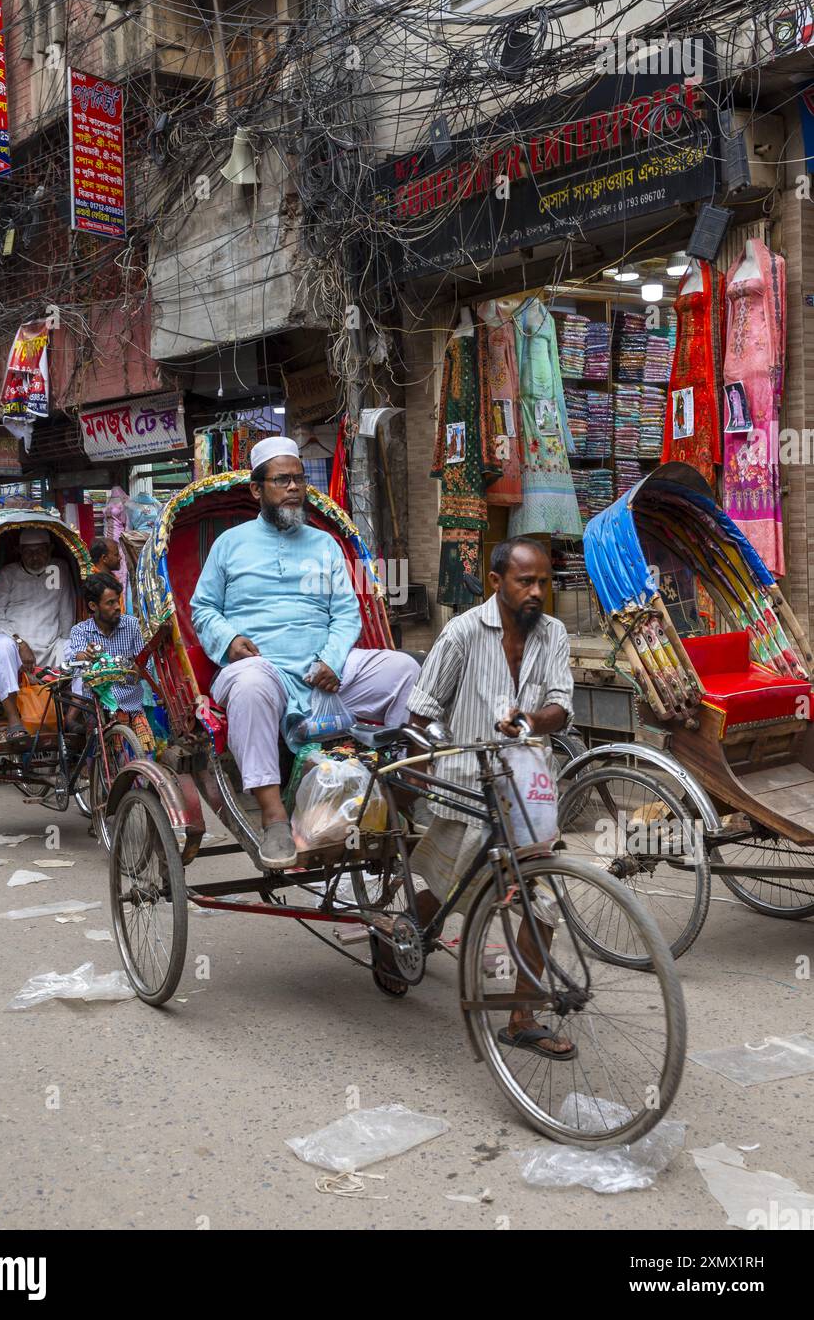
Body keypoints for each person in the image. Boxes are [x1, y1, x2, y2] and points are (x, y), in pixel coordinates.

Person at [190, 435, 420, 870]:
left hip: (322, 669)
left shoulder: (325, 545)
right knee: (251, 683)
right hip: (261, 668)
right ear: (256, 490)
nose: (294, 487)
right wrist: (229, 639)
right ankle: (274, 816)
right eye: (282, 480)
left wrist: (332, 658)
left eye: (299, 479)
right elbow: (202, 609)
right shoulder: (229, 545)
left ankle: (398, 789)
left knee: (402, 669)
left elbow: (346, 614)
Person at [406, 536, 576, 1059]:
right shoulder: (462, 633)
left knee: (542, 901)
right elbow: (422, 710)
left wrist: (532, 720)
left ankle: (522, 1017)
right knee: (454, 887)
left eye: (543, 582)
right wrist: (417, 775)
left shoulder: (553, 634)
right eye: (525, 581)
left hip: (527, 791)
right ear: (496, 581)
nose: (536, 591)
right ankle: (405, 931)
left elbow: (561, 707)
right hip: (466, 785)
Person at [0, 527, 76, 743]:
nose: (35, 557)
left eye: (40, 551)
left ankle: (70, 716)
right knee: (4, 647)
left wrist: (65, 642)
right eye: (29, 552)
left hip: (49, 645)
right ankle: (14, 719)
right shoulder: (8, 574)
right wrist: (19, 642)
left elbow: (66, 614)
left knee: (75, 649)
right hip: (4, 639)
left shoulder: (59, 569)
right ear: (20, 552)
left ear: (50, 549)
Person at [64, 571, 152, 750]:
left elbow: (146, 666)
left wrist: (136, 667)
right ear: (93, 606)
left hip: (130, 704)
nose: (117, 607)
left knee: (144, 753)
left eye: (117, 600)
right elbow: (77, 656)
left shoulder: (132, 625)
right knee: (99, 755)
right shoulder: (80, 631)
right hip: (97, 706)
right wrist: (86, 655)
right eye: (110, 603)